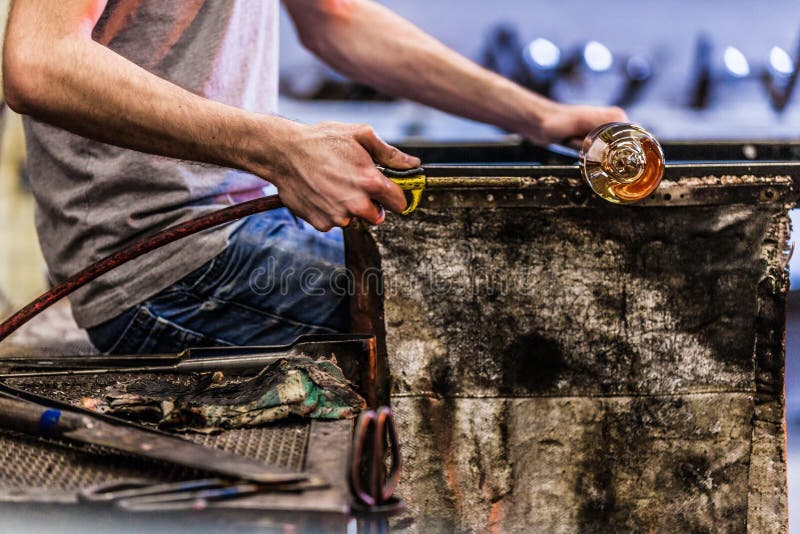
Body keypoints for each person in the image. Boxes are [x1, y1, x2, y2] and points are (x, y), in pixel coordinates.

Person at [2, 1, 626, 354]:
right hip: (168, 269)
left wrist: (537, 115)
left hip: (245, 224)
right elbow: (38, 62)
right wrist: (278, 148)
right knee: (514, 318)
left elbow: (335, 18)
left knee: (527, 287)